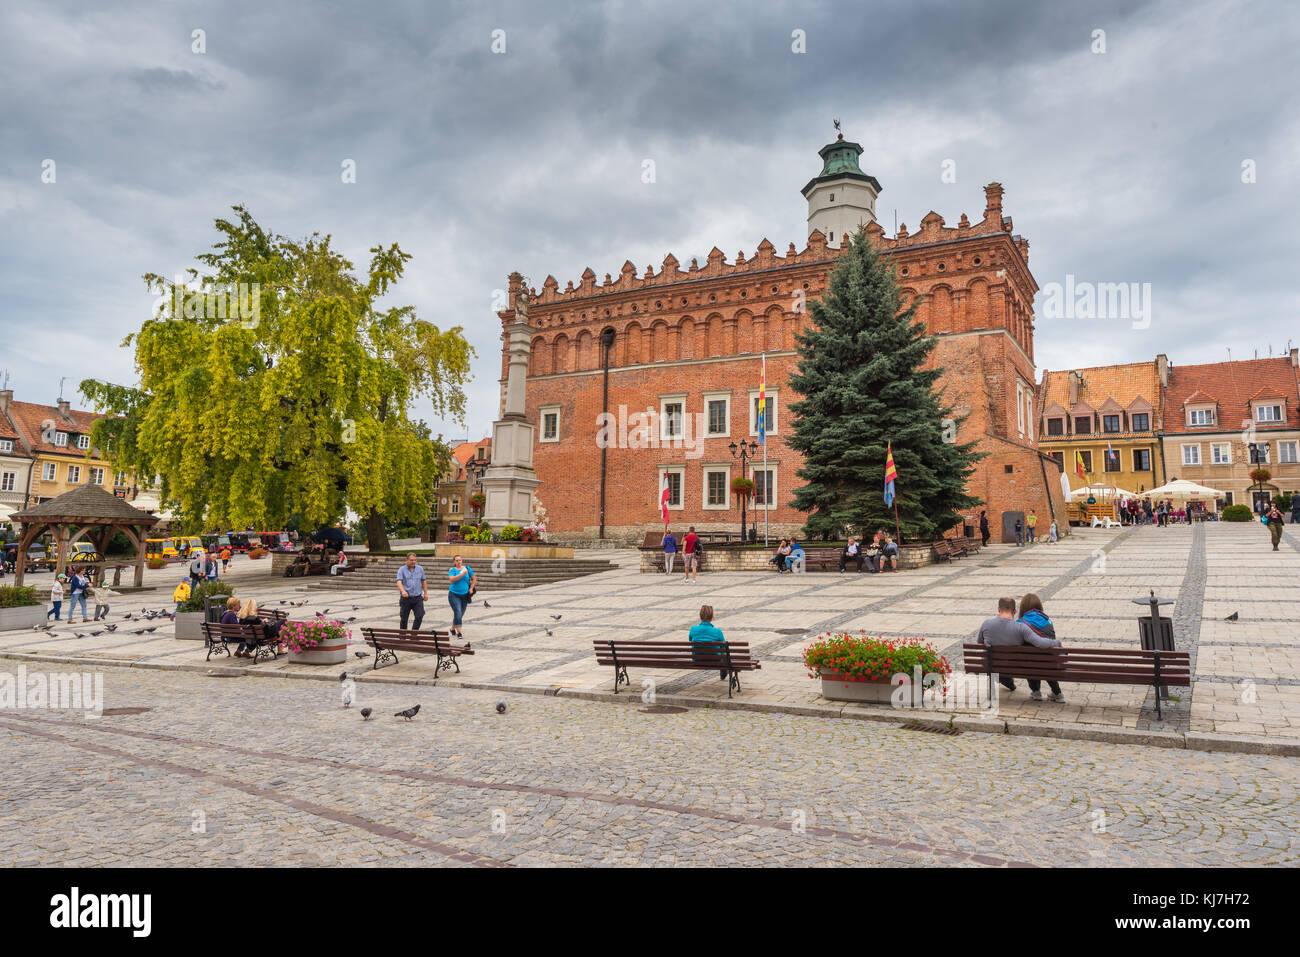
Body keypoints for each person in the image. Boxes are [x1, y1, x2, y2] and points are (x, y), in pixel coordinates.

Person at [976, 596, 1061, 693]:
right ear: (1015, 611)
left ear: (998, 609)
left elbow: (979, 643)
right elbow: (1041, 643)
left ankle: (1006, 681)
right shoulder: (1020, 628)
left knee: (997, 663)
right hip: (1013, 667)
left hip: (991, 665)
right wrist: (1056, 642)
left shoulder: (986, 624)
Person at [1018, 593, 1065, 702]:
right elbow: (1052, 638)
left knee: (1029, 659)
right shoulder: (1047, 620)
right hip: (1049, 663)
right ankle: (1057, 693)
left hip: (1029, 664)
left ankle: (1036, 691)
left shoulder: (1020, 622)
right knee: (1045, 660)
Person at [688, 604, 730, 680]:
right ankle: (723, 673)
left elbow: (690, 639)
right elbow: (724, 647)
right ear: (711, 617)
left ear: (700, 616)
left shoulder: (693, 629)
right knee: (724, 653)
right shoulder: (717, 631)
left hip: (697, 659)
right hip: (716, 659)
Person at [396, 552, 427, 630]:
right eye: (411, 560)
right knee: (404, 619)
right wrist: (403, 591)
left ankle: (414, 634)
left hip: (417, 598)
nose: (413, 562)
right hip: (406, 598)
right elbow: (399, 581)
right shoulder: (402, 569)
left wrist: (425, 593)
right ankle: (403, 637)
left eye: (415, 560)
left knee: (420, 615)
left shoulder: (420, 569)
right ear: (406, 560)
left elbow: (423, 581)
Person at [447, 554, 475, 639]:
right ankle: (459, 632)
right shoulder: (452, 570)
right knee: (458, 612)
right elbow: (452, 579)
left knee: (460, 614)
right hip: (454, 595)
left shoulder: (467, 568)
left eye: (460, 560)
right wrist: (462, 574)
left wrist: (471, 588)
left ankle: (452, 628)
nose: (459, 562)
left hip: (464, 595)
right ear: (454, 562)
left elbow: (474, 578)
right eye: (457, 560)